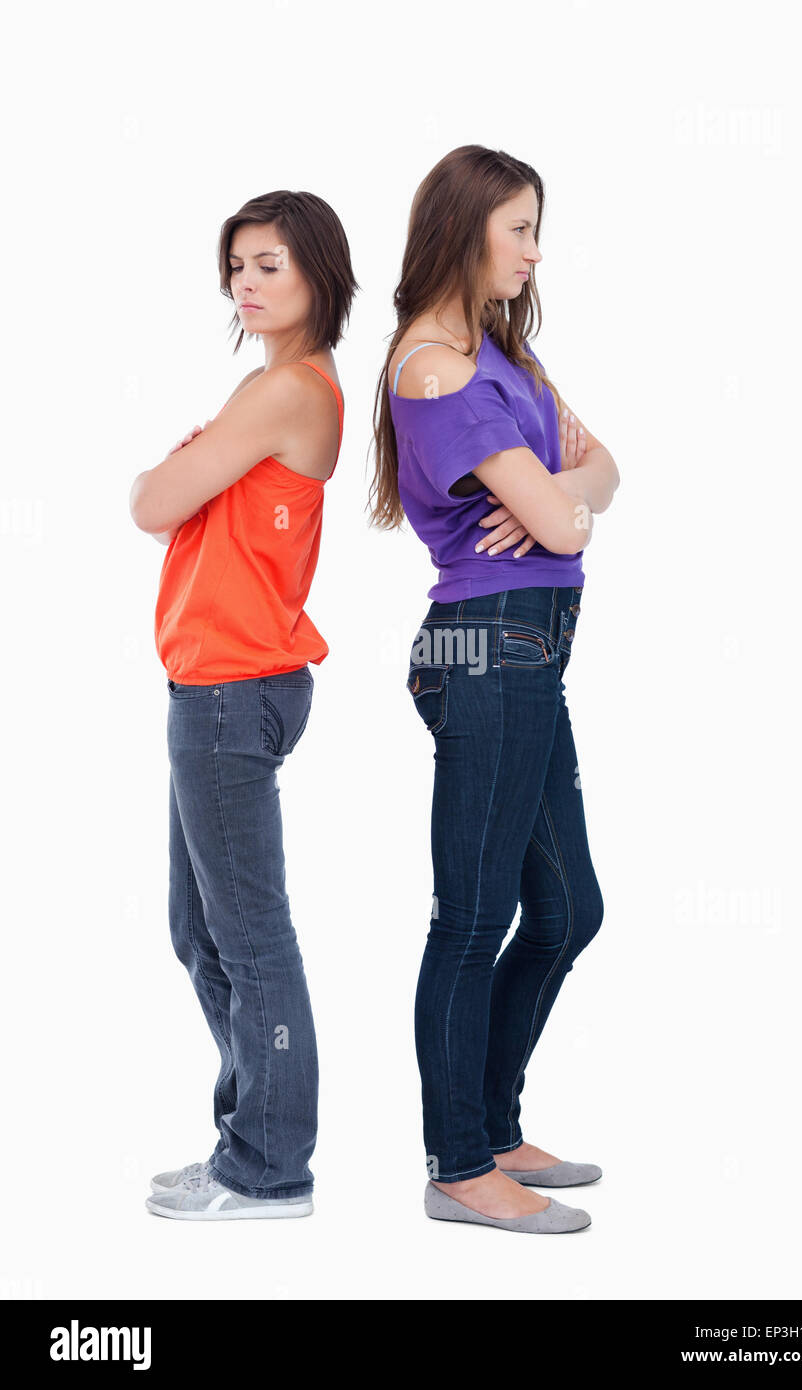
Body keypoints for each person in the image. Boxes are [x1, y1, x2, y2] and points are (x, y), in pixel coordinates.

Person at [370, 146, 620, 1234]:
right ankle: (457, 1164)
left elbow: (601, 470)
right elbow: (572, 519)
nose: (532, 249)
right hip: (486, 650)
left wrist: (561, 494)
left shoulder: (500, 353)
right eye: (517, 228)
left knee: (568, 909)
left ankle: (493, 1123)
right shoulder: (432, 366)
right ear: (465, 228)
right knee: (474, 919)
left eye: (534, 228)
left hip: (530, 651)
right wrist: (564, 505)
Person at [129, 190, 357, 1220]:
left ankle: (269, 1167)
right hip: (220, 684)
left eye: (270, 264)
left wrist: (172, 467)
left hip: (231, 688)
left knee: (249, 938)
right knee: (201, 930)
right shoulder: (267, 390)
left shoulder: (286, 393)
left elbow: (150, 503)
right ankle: (247, 1138)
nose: (247, 283)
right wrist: (181, 467)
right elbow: (171, 494)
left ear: (317, 273)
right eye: (237, 266)